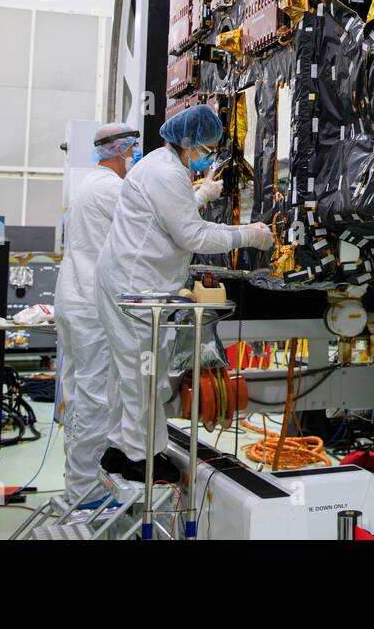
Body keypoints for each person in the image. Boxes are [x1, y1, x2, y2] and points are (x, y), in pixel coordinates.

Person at [95, 105, 275, 484]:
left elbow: (164, 215)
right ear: (190, 142)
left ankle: (117, 448)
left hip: (124, 281)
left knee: (126, 371)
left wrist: (201, 194)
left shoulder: (160, 165)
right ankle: (143, 460)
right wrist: (247, 233)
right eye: (207, 148)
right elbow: (192, 235)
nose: (209, 155)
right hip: (137, 288)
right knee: (145, 372)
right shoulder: (167, 173)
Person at [53, 122, 138, 504]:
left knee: (78, 392)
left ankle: (78, 485)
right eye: (132, 150)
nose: (133, 156)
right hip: (90, 306)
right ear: (121, 150)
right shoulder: (111, 189)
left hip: (73, 299)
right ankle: (87, 496)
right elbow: (151, 222)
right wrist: (197, 197)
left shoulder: (89, 184)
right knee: (95, 398)